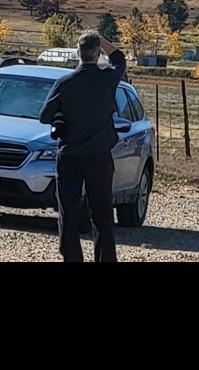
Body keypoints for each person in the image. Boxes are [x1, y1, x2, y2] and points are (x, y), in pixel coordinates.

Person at [37, 30, 126, 262]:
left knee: (68, 214)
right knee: (103, 216)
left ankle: (72, 258)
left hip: (70, 156)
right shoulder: (108, 79)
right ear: (97, 54)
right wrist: (102, 40)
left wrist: (61, 118)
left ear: (77, 53)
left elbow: (44, 115)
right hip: (99, 156)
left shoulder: (65, 83)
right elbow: (119, 59)